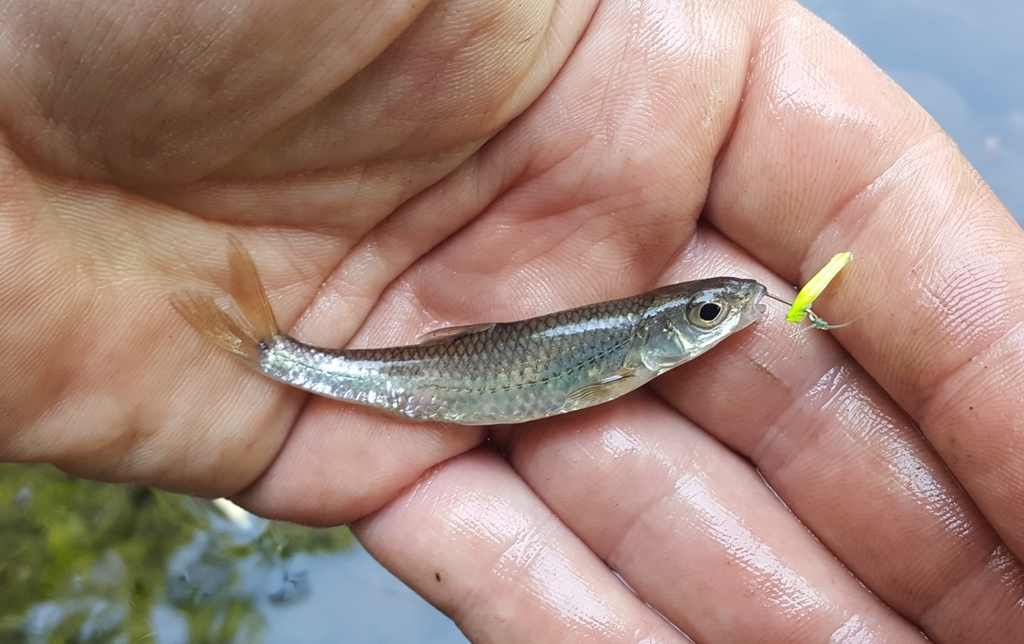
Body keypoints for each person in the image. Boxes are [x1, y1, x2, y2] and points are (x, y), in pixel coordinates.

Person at [1, 0, 1021, 641]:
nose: (723, 318)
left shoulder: (639, 350)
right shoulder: (627, 356)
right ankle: (274, 355)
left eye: (710, 312)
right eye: (708, 313)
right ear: (664, 331)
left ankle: (275, 354)